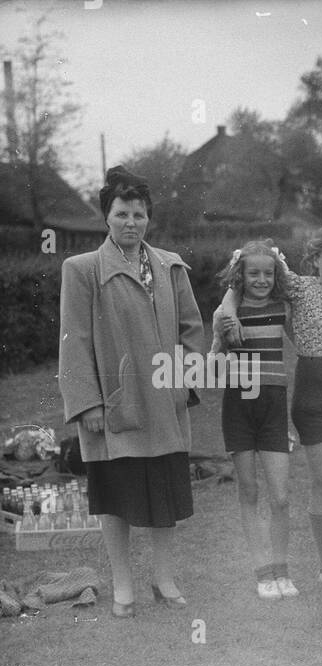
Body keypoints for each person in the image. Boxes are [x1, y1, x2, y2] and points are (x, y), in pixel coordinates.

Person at [58, 166, 205, 618]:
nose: (130, 223)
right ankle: (123, 585)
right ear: (106, 216)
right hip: (113, 406)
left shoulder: (170, 265)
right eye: (122, 214)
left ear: (148, 218)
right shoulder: (82, 269)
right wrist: (87, 403)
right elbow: (74, 341)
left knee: (164, 496)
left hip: (163, 403)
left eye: (139, 215)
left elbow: (192, 329)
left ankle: (163, 578)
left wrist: (184, 382)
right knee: (115, 498)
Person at [221, 220, 322, 591]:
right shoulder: (298, 288)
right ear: (314, 260)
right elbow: (245, 277)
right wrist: (228, 311)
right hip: (313, 392)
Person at [210, 239, 297, 600]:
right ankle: (262, 572)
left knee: (281, 497)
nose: (261, 280)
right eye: (253, 273)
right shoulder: (227, 314)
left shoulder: (282, 308)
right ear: (240, 276)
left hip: (273, 408)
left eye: (268, 273)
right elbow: (212, 369)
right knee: (249, 491)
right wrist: (220, 340)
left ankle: (282, 568)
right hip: (239, 408)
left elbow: (302, 341)